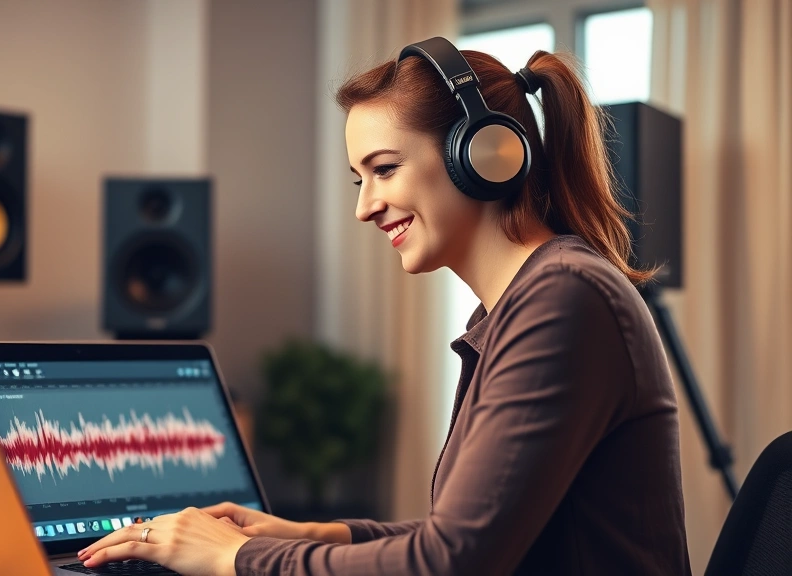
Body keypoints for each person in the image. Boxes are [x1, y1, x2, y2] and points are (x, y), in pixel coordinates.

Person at [75, 37, 692, 576]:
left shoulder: (564, 301)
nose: (365, 207)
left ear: (483, 156)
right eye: (358, 179)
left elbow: (450, 563)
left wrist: (233, 558)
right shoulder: (521, 306)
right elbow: (463, 539)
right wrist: (304, 535)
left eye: (385, 169)